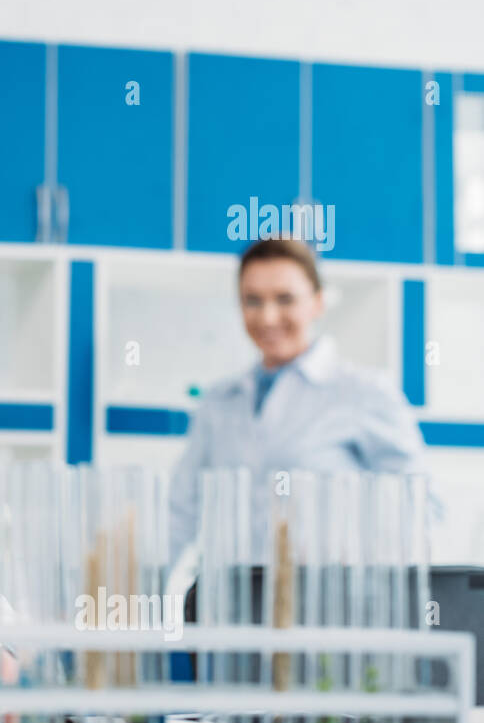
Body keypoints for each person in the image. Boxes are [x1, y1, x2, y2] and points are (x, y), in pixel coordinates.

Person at [166, 235, 437, 612]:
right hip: (232, 609)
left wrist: (366, 570)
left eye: (285, 299)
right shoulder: (219, 402)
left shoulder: (362, 392)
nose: (268, 317)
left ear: (318, 302)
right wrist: (128, 595)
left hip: (328, 610)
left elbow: (420, 503)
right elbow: (181, 512)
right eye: (253, 300)